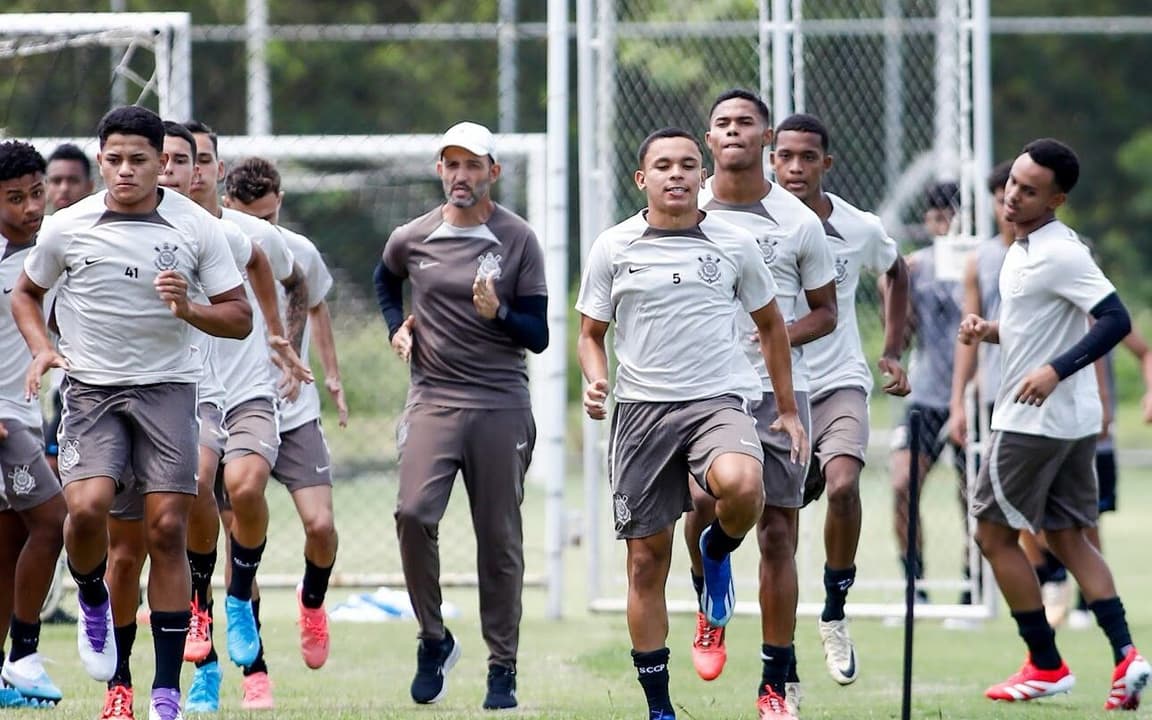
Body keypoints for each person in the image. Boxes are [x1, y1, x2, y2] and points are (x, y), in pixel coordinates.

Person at [10, 105, 252, 720]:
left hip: (169, 390)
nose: (125, 171)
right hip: (91, 394)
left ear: (160, 162)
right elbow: (27, 293)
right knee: (85, 512)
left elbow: (238, 315)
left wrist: (189, 308)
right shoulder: (69, 226)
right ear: (100, 161)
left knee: (167, 528)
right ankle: (92, 598)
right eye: (113, 160)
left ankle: (162, 690)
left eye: (139, 161)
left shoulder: (198, 228)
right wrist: (44, 350)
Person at [577, 126, 807, 720]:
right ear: (642, 179)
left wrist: (784, 408)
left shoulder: (733, 243)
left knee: (745, 485)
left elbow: (771, 327)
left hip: (718, 400)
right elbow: (590, 336)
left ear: (700, 177)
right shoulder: (613, 246)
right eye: (663, 166)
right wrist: (595, 378)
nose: (676, 174)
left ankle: (717, 547)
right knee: (646, 561)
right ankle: (660, 707)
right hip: (641, 413)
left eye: (686, 165)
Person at [95, 122, 298, 720]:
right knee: (191, 491)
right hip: (180, 396)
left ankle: (238, 594)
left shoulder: (226, 232)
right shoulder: (131, 230)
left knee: (244, 486)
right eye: (180, 160)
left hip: (245, 392)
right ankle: (195, 640)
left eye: (197, 160)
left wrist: (278, 335)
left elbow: (272, 269)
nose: (188, 171)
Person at [958, 138, 1151, 708]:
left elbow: (1116, 320)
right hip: (1071, 423)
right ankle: (1127, 659)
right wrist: (990, 331)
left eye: (1028, 190)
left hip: (1033, 421)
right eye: (1011, 183)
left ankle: (1045, 664)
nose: (1012, 196)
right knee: (1069, 536)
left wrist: (1054, 370)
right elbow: (1042, 321)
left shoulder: (1061, 251)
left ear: (1057, 199)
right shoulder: (1021, 249)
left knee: (991, 534)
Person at [374, 121, 548, 710]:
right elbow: (386, 278)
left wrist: (499, 313)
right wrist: (396, 326)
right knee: (412, 514)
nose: (461, 176)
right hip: (433, 398)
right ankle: (434, 638)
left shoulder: (517, 238)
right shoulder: (413, 236)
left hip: (500, 402)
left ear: (492, 172)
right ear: (439, 170)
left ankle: (504, 667)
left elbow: (540, 334)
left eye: (473, 165)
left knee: (498, 540)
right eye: (452, 164)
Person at [682, 91, 835, 719]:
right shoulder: (683, 210)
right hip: (702, 390)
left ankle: (774, 683)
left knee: (778, 535)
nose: (734, 131)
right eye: (723, 123)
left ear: (766, 136)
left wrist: (773, 333)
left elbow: (826, 311)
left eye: (746, 121)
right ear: (709, 139)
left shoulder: (797, 221)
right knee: (702, 505)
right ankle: (710, 578)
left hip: (777, 394)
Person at [770, 113, 910, 697]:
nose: (796, 167)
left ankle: (833, 610)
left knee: (846, 485)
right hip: (773, 388)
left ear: (826, 163)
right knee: (780, 526)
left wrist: (893, 349)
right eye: (786, 157)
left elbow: (897, 270)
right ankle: (784, 663)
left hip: (839, 380)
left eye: (808, 157)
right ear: (770, 161)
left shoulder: (858, 227)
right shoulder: (748, 221)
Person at [225, 157, 341, 677]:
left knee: (320, 525)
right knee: (237, 537)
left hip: (292, 412)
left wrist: (326, 375)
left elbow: (314, 304)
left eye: (273, 217)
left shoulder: (298, 250)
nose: (266, 230)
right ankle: (255, 671)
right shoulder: (217, 247)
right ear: (231, 207)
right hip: (236, 410)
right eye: (257, 219)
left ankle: (312, 601)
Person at [0, 140, 67, 708]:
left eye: (36, 192)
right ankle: (24, 654)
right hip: (3, 421)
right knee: (54, 520)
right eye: (15, 198)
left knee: (12, 543)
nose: (30, 207)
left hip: (24, 410)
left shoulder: (55, 248)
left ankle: (8, 668)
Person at [887, 180, 967, 603]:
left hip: (973, 396)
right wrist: (893, 290)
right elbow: (902, 337)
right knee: (902, 483)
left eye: (950, 214)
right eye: (935, 215)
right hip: (927, 393)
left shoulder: (983, 262)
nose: (943, 223)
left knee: (971, 494)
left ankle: (973, 587)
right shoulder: (915, 267)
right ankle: (914, 585)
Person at [44, 142, 94, 213]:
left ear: (89, 187)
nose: (64, 188)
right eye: (56, 181)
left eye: (73, 181)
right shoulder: (39, 223)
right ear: (46, 187)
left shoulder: (105, 223)